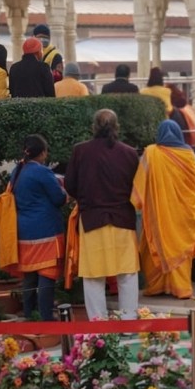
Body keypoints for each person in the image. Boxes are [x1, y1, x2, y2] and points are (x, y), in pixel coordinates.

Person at [64, 109, 142, 320]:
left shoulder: (80, 151)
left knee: (93, 276)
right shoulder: (129, 153)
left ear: (94, 127)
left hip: (92, 220)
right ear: (117, 127)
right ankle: (128, 321)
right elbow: (138, 188)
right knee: (127, 274)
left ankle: (99, 327)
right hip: (122, 220)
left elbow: (70, 185)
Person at [131, 119, 195, 299]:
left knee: (155, 247)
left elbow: (139, 185)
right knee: (180, 247)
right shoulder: (189, 154)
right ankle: (181, 288)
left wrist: (135, 202)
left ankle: (157, 287)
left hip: (159, 213)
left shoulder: (151, 152)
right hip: (184, 212)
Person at [9, 134, 68, 321]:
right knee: (47, 275)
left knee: (29, 276)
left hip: (24, 232)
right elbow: (59, 199)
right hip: (46, 232)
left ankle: (28, 315)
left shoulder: (17, 170)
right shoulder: (42, 172)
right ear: (42, 153)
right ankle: (46, 318)